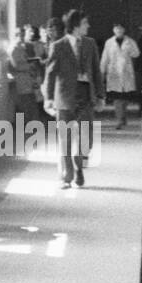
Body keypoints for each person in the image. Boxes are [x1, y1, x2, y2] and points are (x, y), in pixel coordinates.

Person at [43, 9, 102, 188]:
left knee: (87, 139)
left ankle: (79, 164)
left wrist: (100, 95)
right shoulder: (58, 46)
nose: (88, 26)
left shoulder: (90, 44)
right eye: (85, 23)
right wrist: (48, 98)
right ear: (76, 25)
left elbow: (96, 71)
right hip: (65, 97)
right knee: (65, 138)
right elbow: (50, 73)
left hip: (85, 94)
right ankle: (67, 176)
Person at [99, 22, 141, 129]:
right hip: (114, 73)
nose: (119, 31)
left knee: (125, 98)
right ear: (113, 30)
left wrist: (130, 50)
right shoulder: (109, 42)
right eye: (116, 29)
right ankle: (119, 120)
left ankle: (123, 116)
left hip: (126, 73)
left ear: (124, 30)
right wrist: (102, 71)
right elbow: (105, 58)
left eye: (121, 28)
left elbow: (136, 53)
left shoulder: (130, 41)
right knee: (117, 98)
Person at [7, 26, 43, 128]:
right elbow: (16, 66)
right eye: (21, 35)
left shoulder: (21, 47)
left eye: (24, 35)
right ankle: (30, 126)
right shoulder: (14, 48)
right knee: (26, 103)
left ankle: (33, 125)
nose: (23, 37)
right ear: (17, 35)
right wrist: (30, 65)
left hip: (27, 78)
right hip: (21, 79)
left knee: (31, 102)